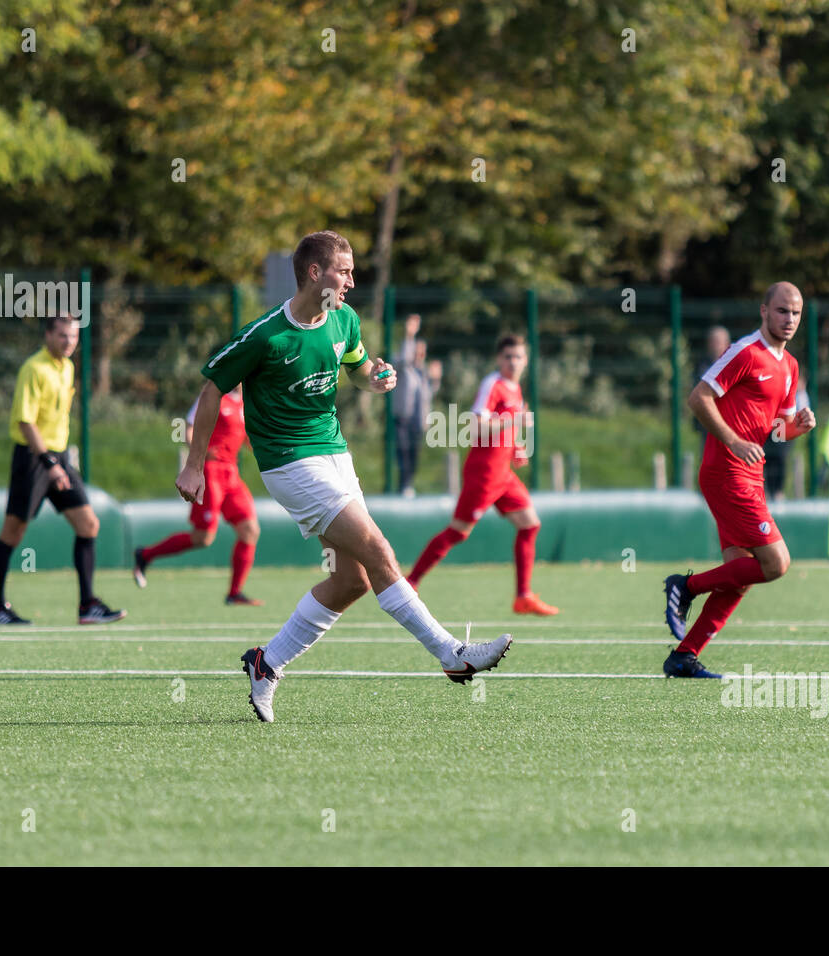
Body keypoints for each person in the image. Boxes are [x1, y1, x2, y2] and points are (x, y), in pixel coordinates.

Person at [175, 230, 512, 724]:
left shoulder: (344, 319)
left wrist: (375, 378)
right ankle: (451, 655)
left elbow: (355, 368)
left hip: (336, 455)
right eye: (345, 270)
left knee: (351, 580)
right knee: (378, 550)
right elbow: (210, 390)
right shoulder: (266, 334)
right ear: (316, 274)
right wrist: (192, 463)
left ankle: (266, 665)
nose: (353, 280)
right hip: (290, 463)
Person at [661, 282, 816, 678]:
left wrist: (797, 426)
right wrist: (731, 439)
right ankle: (686, 587)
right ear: (764, 311)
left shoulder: (790, 366)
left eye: (796, 313)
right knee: (776, 563)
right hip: (727, 472)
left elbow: (774, 430)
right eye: (782, 311)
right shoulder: (745, 352)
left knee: (741, 574)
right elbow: (698, 397)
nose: (790, 320)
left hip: (750, 473)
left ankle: (684, 656)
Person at [0, 315, 126, 626]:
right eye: (63, 336)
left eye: (73, 337)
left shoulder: (68, 367)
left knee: (89, 524)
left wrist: (59, 461)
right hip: (34, 458)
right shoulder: (33, 368)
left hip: (59, 458)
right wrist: (49, 463)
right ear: (48, 335)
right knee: (13, 531)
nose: (69, 342)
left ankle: (87, 604)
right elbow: (25, 421)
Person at [405, 335, 559, 615]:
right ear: (499, 359)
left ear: (526, 360)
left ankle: (523, 596)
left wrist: (516, 448)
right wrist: (515, 421)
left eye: (519, 357)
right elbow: (477, 428)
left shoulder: (515, 389)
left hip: (504, 473)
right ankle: (409, 583)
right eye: (508, 357)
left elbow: (503, 429)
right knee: (458, 533)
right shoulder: (494, 384)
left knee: (530, 524)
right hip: (484, 475)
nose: (514, 362)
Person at [132, 385, 262, 604]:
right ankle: (145, 555)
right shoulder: (214, 393)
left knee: (250, 530)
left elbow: (248, 439)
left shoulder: (245, 402)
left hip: (231, 473)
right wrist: (198, 456)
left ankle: (234, 593)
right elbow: (188, 429)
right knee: (203, 538)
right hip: (211, 472)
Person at [393, 313, 441, 496]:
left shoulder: (423, 373)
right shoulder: (403, 367)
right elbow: (404, 357)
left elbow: (428, 395)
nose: (419, 354)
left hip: (418, 420)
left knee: (414, 455)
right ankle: (402, 485)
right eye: (417, 350)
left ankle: (408, 485)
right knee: (402, 452)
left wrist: (435, 380)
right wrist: (409, 336)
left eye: (422, 351)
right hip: (403, 417)